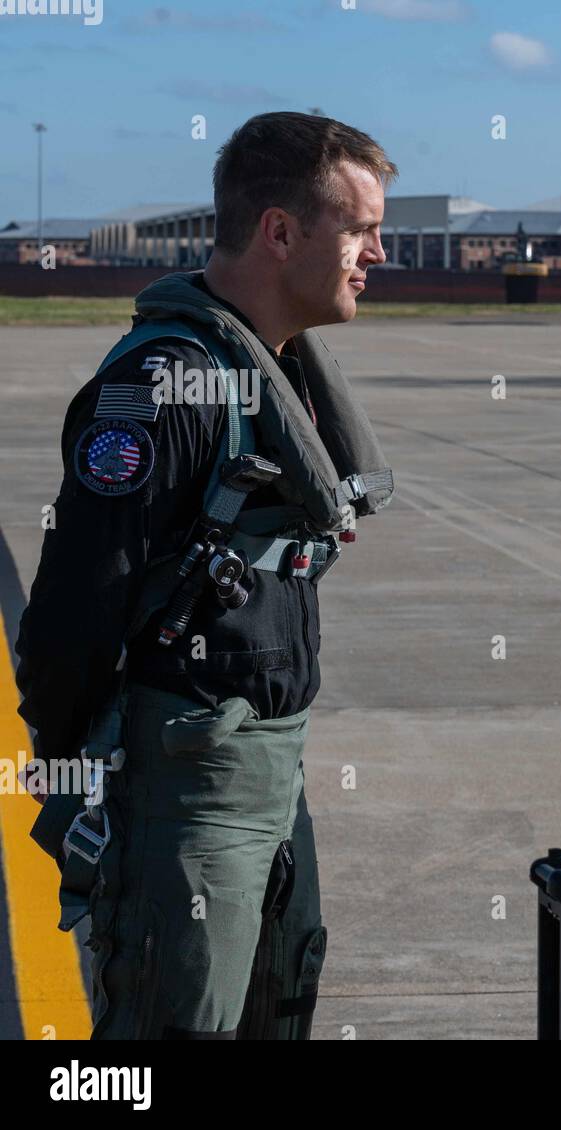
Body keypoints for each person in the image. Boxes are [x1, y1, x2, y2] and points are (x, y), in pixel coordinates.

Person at [15, 111, 397, 1039]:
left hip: (267, 772)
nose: (376, 254)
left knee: (276, 1008)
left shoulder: (276, 372)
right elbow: (74, 612)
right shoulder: (164, 389)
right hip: (184, 795)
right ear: (278, 231)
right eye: (359, 230)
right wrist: (78, 773)